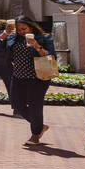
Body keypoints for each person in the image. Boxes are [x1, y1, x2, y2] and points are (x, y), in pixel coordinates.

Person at [6, 16, 57, 145]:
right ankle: (40, 126)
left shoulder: (44, 38)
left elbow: (51, 56)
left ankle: (35, 134)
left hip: (38, 78)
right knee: (17, 105)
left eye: (24, 28)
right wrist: (5, 33)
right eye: (18, 29)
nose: (21, 31)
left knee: (35, 106)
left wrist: (37, 47)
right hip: (18, 76)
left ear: (31, 27)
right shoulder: (14, 38)